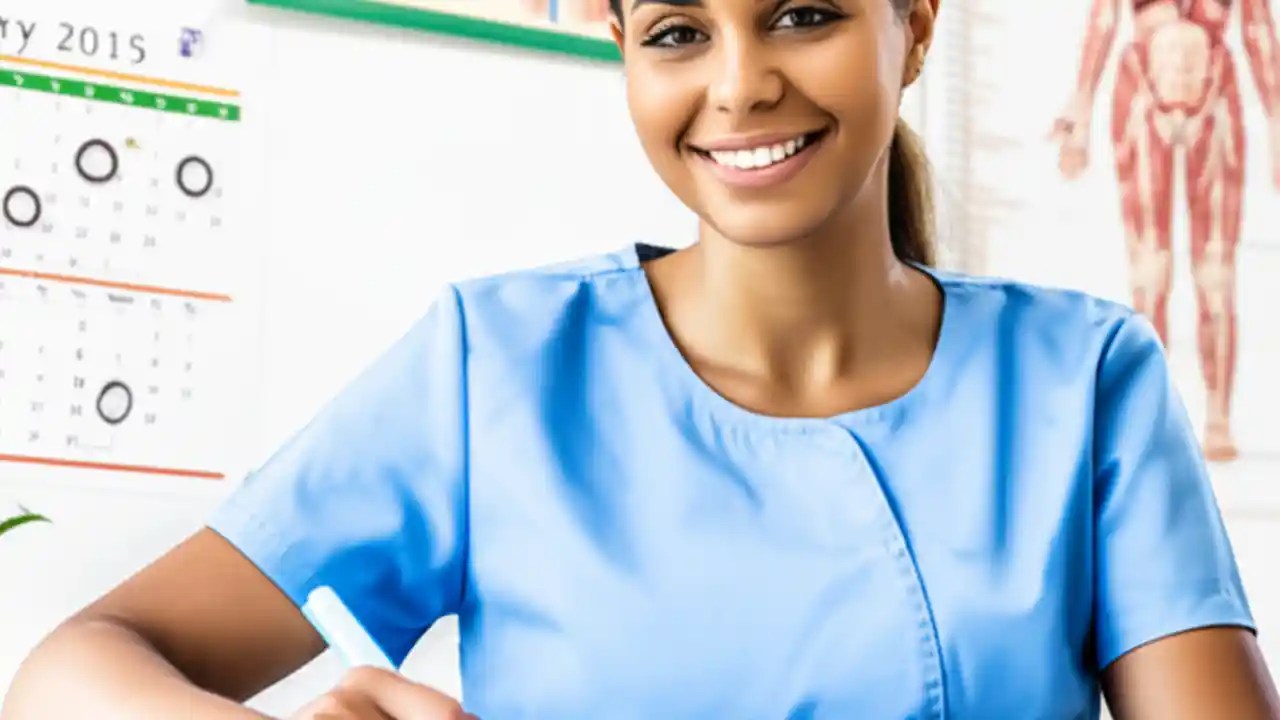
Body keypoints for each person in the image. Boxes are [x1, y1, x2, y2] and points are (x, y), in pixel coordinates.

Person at [5, 0, 1279, 717]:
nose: (739, 86)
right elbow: (76, 666)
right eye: (677, 31)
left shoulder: (1082, 381)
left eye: (800, 15)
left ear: (915, 22)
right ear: (619, 44)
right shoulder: (496, 366)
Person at [1051, 0, 1280, 463]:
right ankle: (1153, 414)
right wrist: (1080, 110)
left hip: (1214, 95)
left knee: (1216, 273)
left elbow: (1257, 26)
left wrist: (1277, 124)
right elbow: (1105, 17)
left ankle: (1217, 417)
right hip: (1142, 92)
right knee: (1150, 270)